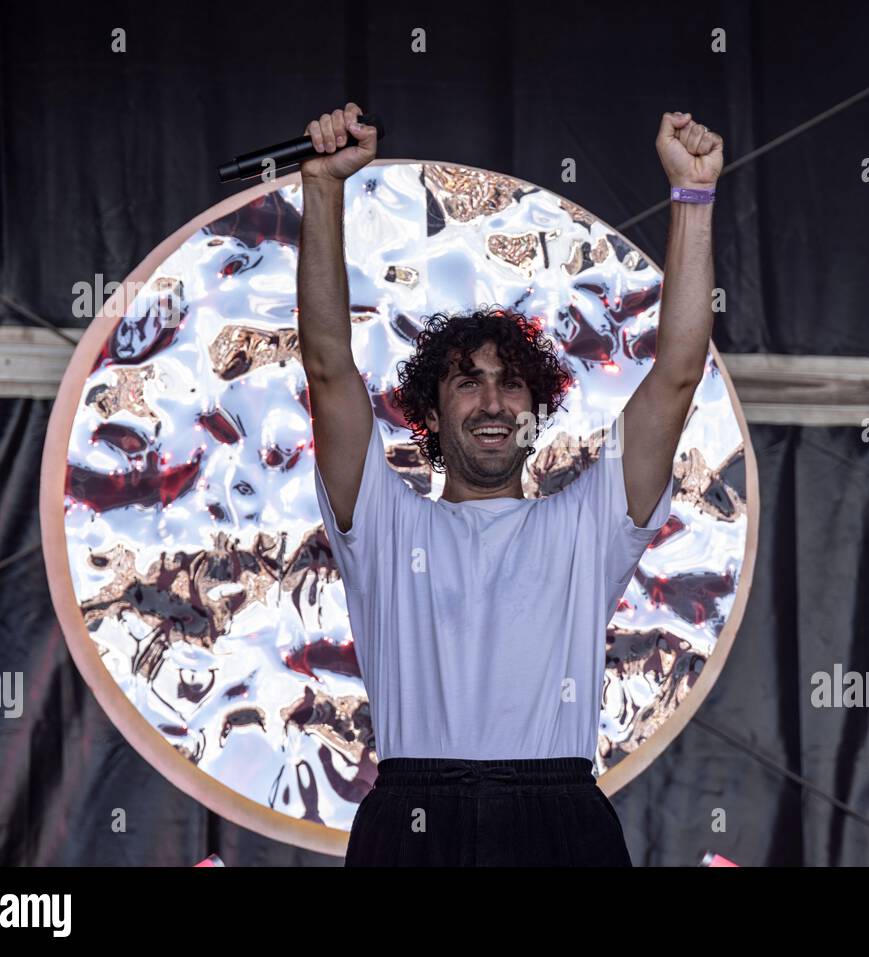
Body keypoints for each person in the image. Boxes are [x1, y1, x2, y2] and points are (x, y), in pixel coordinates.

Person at [297, 101, 721, 865]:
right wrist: (324, 187)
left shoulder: (585, 521)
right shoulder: (387, 523)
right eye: (467, 383)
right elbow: (328, 366)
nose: (492, 401)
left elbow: (679, 372)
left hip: (557, 815)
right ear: (430, 411)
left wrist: (692, 197)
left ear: (538, 409)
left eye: (511, 385)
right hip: (414, 818)